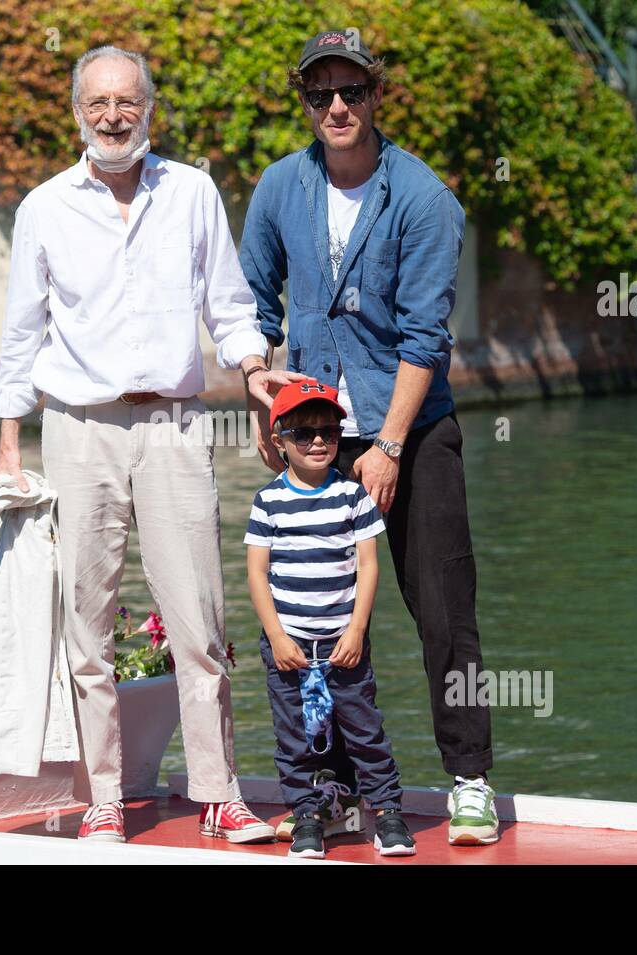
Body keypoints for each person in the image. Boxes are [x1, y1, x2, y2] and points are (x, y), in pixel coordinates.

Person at [0, 45, 302, 844]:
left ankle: (219, 792)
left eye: (126, 102)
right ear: (76, 112)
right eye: (97, 103)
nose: (112, 116)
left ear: (149, 109)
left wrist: (256, 370)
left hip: (174, 424)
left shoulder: (192, 192)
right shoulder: (44, 208)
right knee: (85, 622)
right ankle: (102, 797)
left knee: (197, 614)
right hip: (78, 429)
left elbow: (229, 305)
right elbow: (22, 333)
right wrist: (7, 445)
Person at [240, 30, 499, 846]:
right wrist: (259, 391)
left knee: (444, 612)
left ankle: (470, 780)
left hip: (412, 432)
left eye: (352, 91)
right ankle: (339, 785)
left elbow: (427, 339)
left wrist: (386, 446)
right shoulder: (280, 187)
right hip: (315, 434)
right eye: (321, 95)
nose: (338, 107)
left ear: (376, 96)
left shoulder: (424, 197)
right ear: (306, 103)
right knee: (316, 609)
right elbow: (250, 301)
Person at [246, 381, 415, 859]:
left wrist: (358, 629)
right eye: (303, 433)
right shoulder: (267, 503)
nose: (318, 441)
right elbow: (258, 575)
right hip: (290, 651)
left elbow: (369, 565)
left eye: (329, 431)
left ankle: (387, 813)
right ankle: (307, 817)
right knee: (295, 740)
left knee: (366, 732)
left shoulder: (352, 496)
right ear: (280, 440)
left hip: (345, 647)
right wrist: (277, 637)